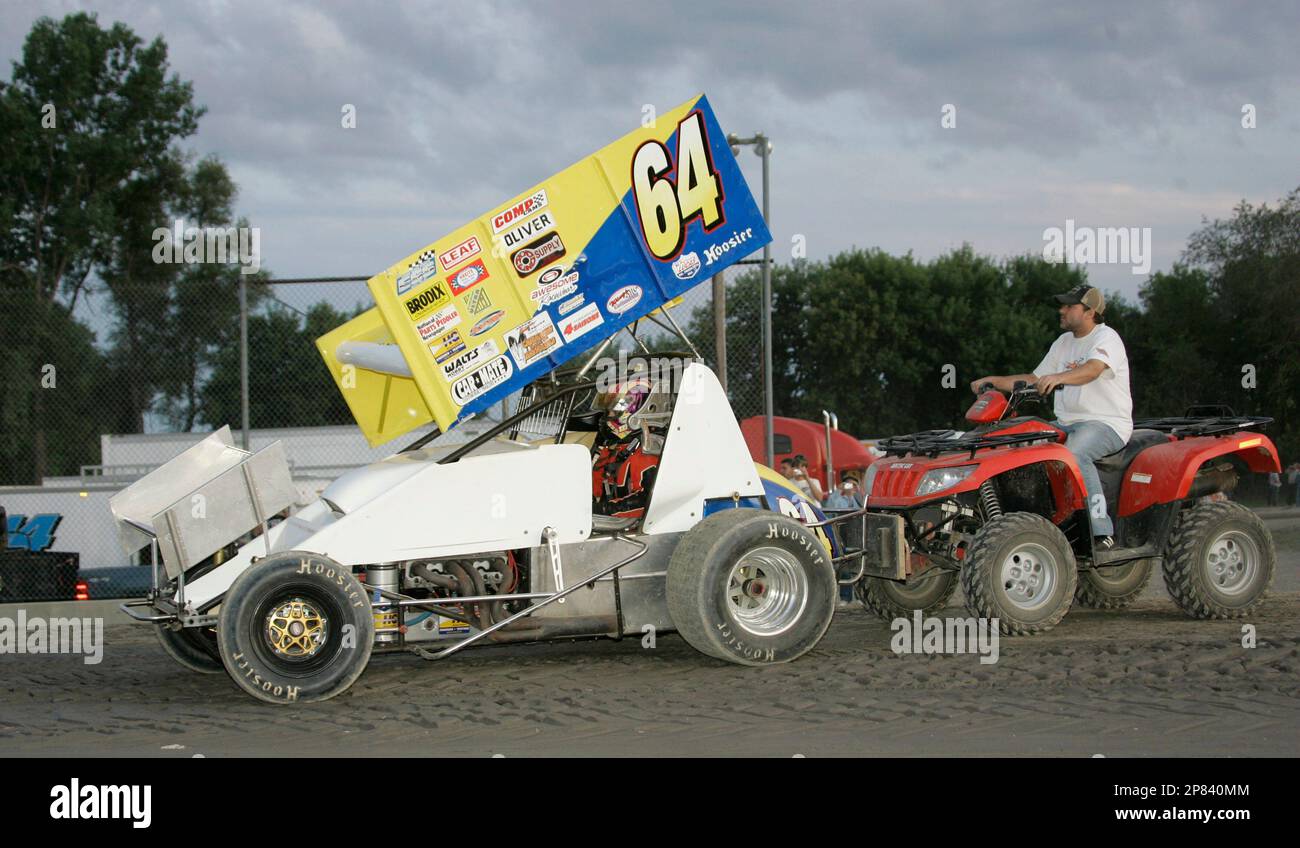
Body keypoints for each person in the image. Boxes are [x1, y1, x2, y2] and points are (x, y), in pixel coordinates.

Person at [970, 284, 1132, 550]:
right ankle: (1035, 522)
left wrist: (1058, 378)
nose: (1062, 310)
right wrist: (993, 381)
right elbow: (1034, 379)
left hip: (1106, 423)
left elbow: (1092, 370)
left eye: (1070, 306)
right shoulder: (1063, 342)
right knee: (1019, 445)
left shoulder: (1106, 338)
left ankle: (1101, 531)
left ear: (1090, 312)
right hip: (1066, 423)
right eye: (1063, 305)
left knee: (1075, 455)